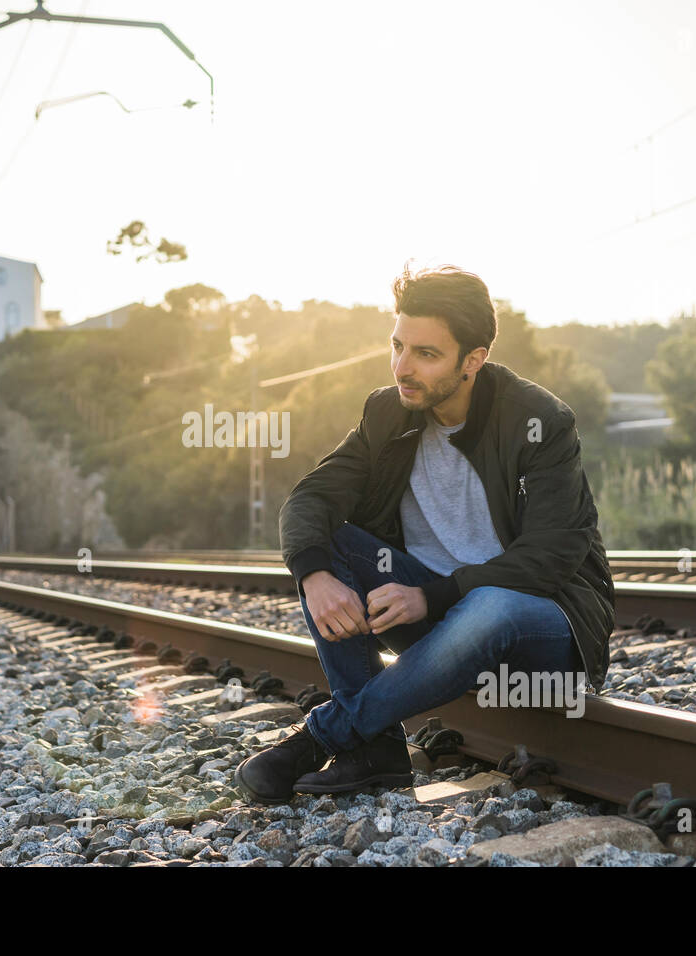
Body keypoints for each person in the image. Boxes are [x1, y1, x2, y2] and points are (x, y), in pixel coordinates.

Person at [234, 263, 615, 804]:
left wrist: (430, 596)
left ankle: (322, 737)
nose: (402, 368)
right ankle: (379, 752)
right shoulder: (388, 413)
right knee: (331, 543)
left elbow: (551, 556)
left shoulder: (539, 421)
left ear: (473, 361)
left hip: (545, 626)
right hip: (438, 618)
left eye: (426, 354)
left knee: (489, 607)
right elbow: (311, 499)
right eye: (397, 346)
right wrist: (314, 574)